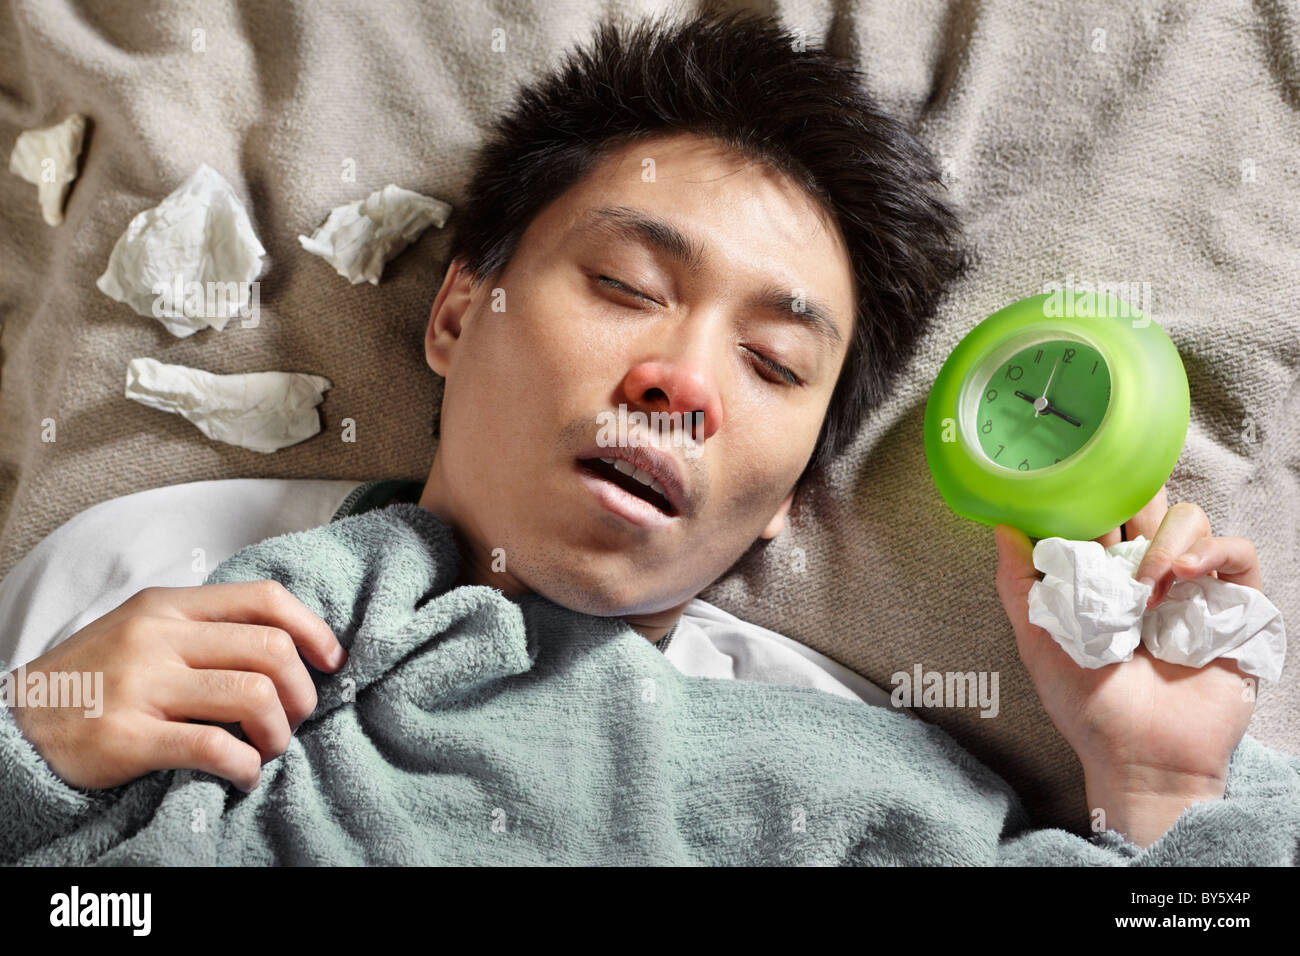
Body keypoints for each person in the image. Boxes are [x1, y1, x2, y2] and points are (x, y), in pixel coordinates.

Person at [0, 9, 1276, 854]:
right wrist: (31, 756)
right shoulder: (156, 574)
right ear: (456, 310)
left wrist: (1161, 787)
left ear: (787, 495)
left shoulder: (851, 784)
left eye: (774, 361)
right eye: (623, 287)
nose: (679, 378)